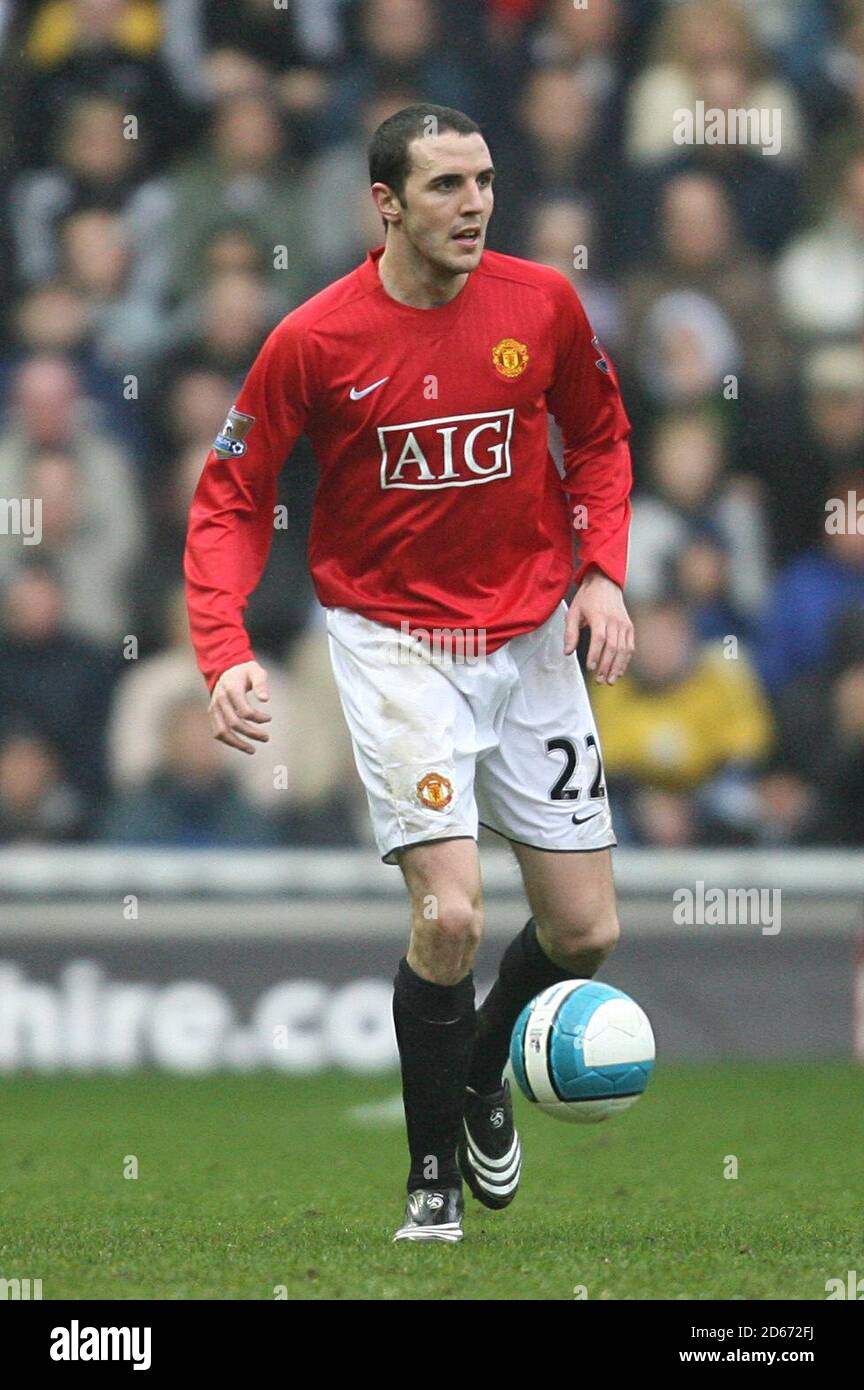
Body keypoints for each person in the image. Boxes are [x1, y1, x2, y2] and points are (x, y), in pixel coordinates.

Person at [184, 104, 634, 1243]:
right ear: (384, 203)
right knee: (450, 913)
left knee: (584, 933)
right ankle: (432, 1182)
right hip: (394, 643)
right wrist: (223, 647)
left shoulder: (542, 305)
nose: (474, 203)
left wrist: (603, 573)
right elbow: (233, 493)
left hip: (532, 638)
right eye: (444, 186)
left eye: (483, 180)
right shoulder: (315, 339)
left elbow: (600, 436)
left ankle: (478, 1074)